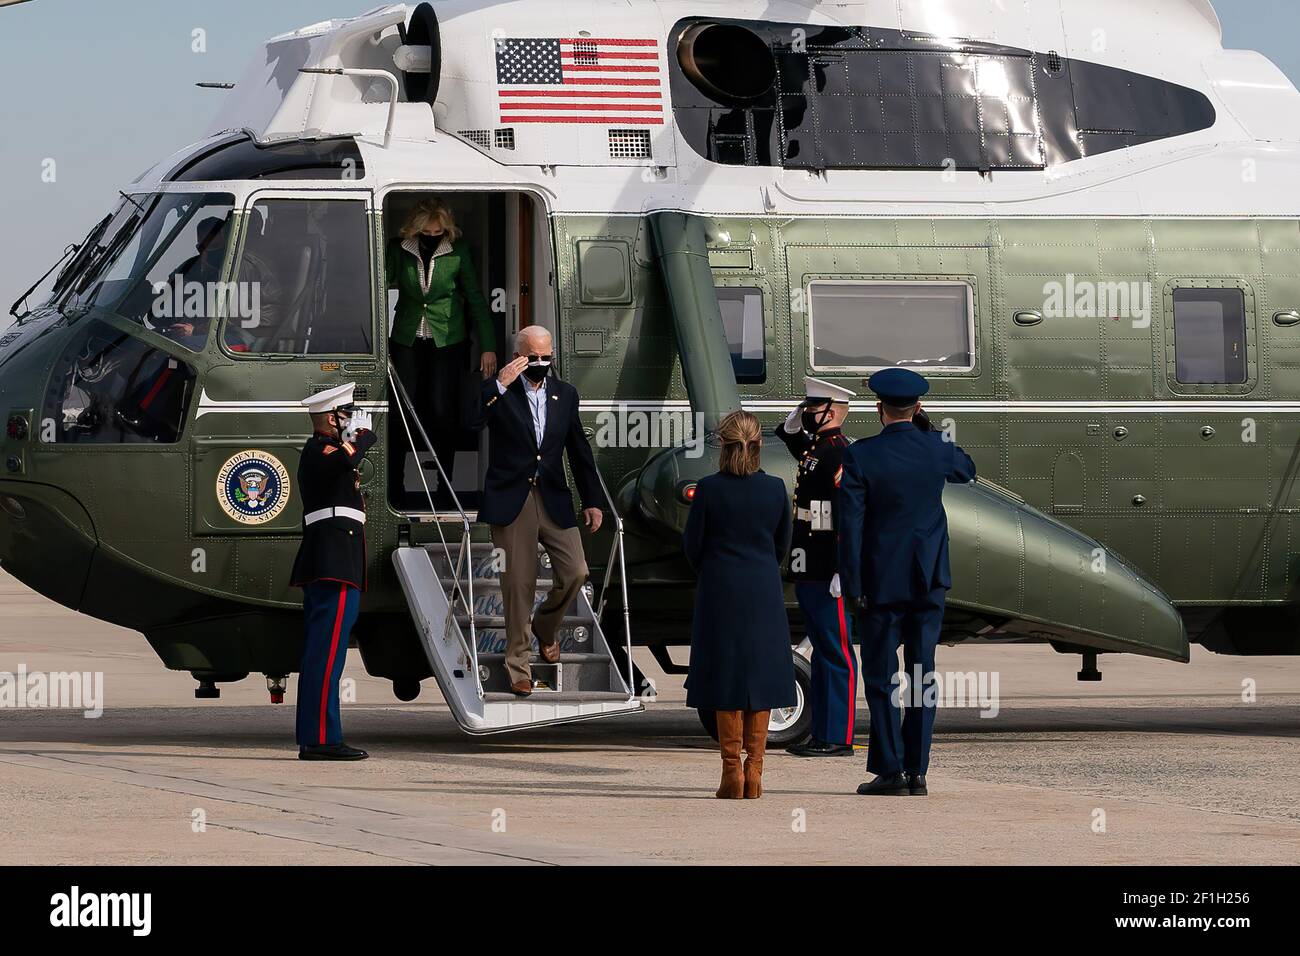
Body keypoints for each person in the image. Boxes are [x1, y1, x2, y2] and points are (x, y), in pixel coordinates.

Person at [838, 368, 976, 796]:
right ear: (917, 407)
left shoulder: (861, 455)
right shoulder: (938, 449)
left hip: (880, 581)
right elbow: (967, 470)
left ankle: (890, 770)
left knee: (882, 678)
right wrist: (930, 429)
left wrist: (852, 582)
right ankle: (918, 771)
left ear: (878, 408)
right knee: (923, 674)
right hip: (929, 577)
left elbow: (851, 525)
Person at [477, 326, 603, 696]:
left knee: (576, 571)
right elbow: (470, 420)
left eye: (546, 357)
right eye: (533, 357)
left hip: (552, 497)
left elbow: (579, 449)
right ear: (518, 355)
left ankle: (545, 628)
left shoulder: (565, 395)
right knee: (517, 582)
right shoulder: (500, 392)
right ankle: (518, 664)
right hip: (511, 500)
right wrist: (498, 384)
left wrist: (592, 499)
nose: (540, 363)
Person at [683, 410, 795, 799]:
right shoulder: (776, 488)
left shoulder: (710, 489)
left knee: (726, 675)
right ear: (758, 446)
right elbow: (783, 543)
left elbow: (692, 545)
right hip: (763, 588)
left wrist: (714, 568)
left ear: (723, 445)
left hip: (720, 589)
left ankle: (731, 770)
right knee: (761, 677)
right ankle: (755, 772)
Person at [386, 198, 497, 505]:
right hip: (407, 337)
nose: (432, 237)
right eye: (427, 232)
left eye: (438, 232)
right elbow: (379, 284)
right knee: (402, 411)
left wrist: (488, 346)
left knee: (441, 410)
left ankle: (443, 484)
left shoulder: (458, 251)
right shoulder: (398, 248)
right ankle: (396, 484)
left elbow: (475, 298)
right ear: (415, 228)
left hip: (448, 341)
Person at [289, 382, 376, 760]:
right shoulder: (319, 450)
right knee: (325, 656)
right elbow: (343, 460)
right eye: (345, 414)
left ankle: (318, 735)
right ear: (329, 417)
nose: (350, 420)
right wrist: (363, 439)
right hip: (332, 564)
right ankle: (322, 739)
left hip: (338, 563)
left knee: (326, 654)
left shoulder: (332, 450)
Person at [776, 376, 858, 758]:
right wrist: (795, 417)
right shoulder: (817, 449)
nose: (807, 413)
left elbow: (846, 514)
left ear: (833, 412)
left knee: (835, 650)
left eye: (814, 407)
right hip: (810, 563)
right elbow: (789, 436)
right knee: (823, 649)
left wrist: (843, 566)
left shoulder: (838, 452)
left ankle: (837, 736)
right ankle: (823, 731)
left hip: (828, 566)